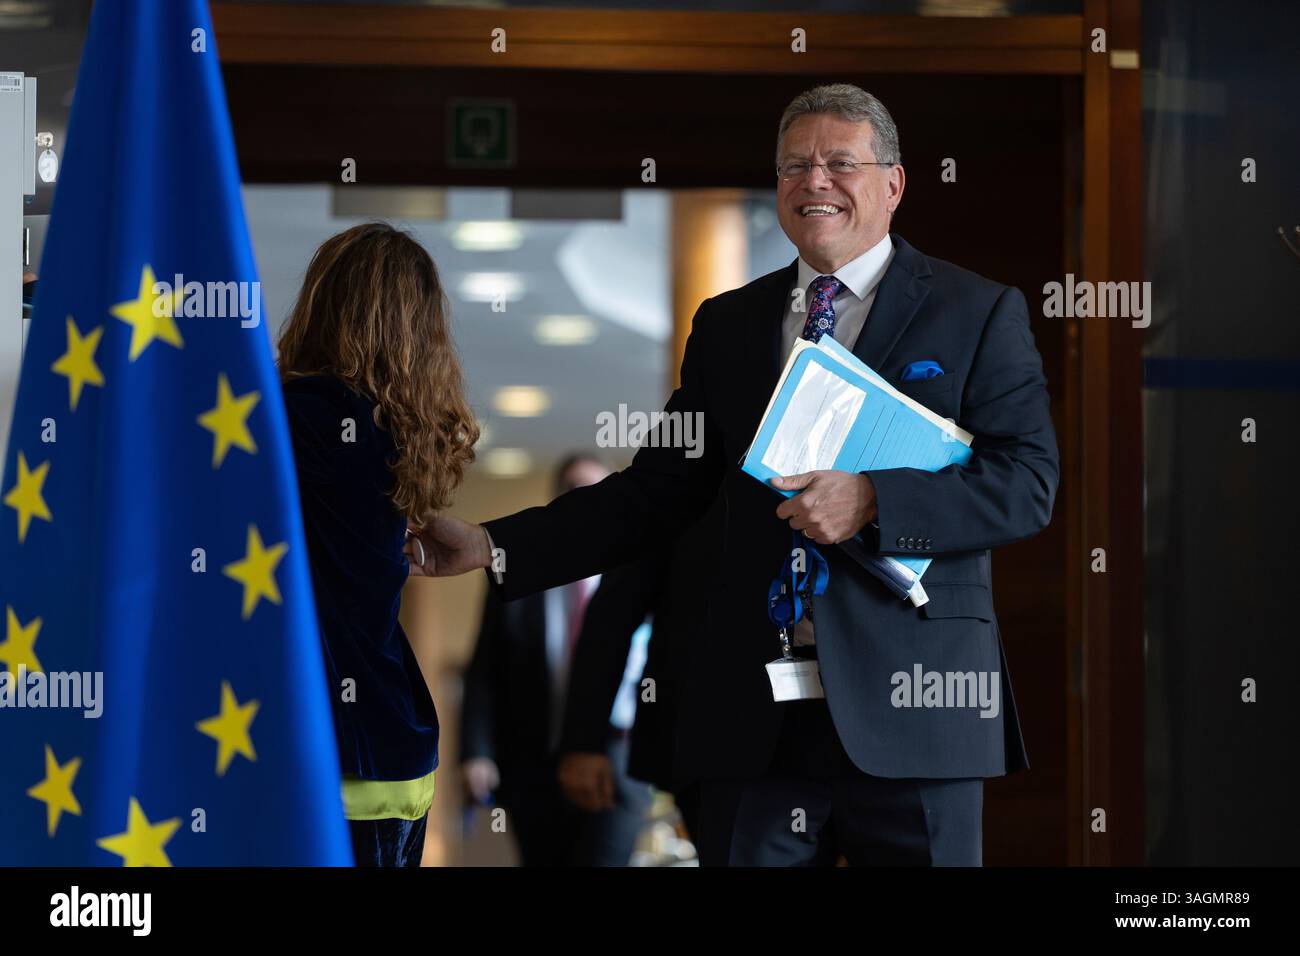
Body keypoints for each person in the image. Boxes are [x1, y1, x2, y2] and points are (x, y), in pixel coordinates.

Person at [409, 83, 1059, 866]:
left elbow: (1027, 482)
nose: (813, 180)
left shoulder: (977, 310)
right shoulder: (728, 325)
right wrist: (489, 543)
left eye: (839, 163)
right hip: (752, 723)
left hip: (916, 711)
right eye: (794, 165)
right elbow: (652, 495)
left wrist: (875, 499)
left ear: (894, 184)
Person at [278, 222, 479, 866]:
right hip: (396, 740)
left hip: (323, 745)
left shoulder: (303, 413)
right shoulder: (398, 429)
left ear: (322, 303)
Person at [461, 453, 654, 866]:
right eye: (572, 492)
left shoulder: (637, 571)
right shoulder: (519, 580)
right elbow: (483, 670)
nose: (584, 500)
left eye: (596, 492)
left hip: (620, 761)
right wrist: (476, 751)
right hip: (532, 764)